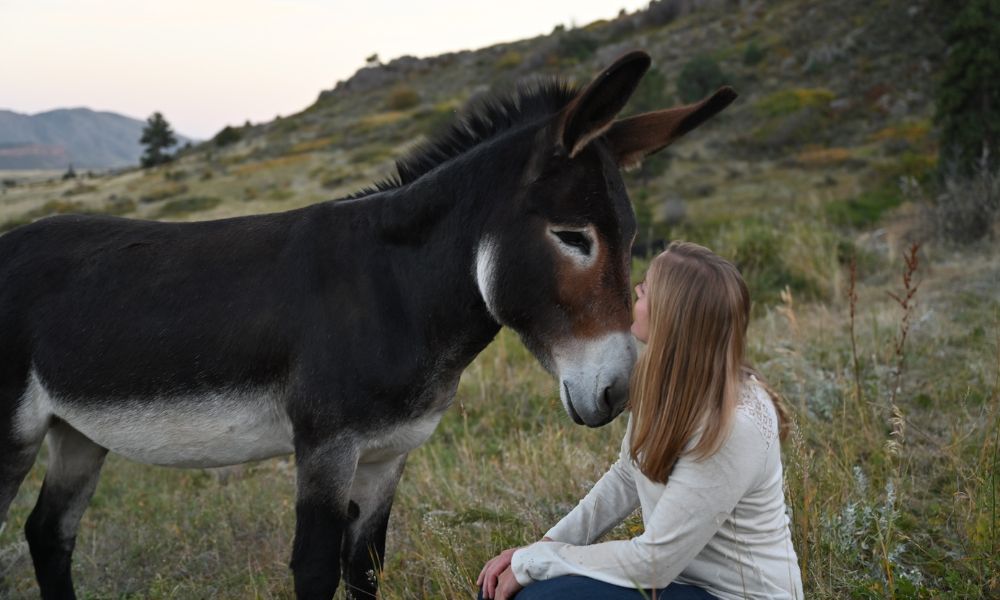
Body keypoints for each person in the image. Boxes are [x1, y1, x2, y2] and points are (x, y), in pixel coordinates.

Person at [476, 241, 804, 600]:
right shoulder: (661, 380)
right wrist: (546, 545)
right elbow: (627, 475)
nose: (636, 289)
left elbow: (653, 563)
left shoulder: (735, 425)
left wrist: (538, 561)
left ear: (672, 315)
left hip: (733, 595)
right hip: (683, 583)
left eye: (647, 288)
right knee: (506, 591)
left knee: (535, 597)